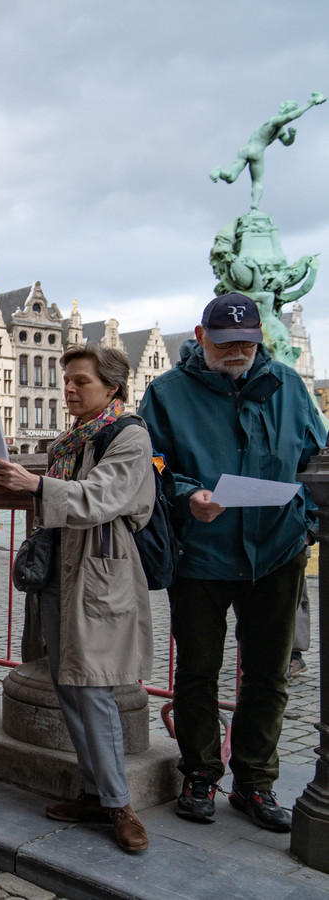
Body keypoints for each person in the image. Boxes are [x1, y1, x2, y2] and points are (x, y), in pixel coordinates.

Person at [139, 294, 326, 832]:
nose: (238, 352)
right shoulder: (167, 393)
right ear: (201, 337)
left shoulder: (289, 385)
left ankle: (255, 783)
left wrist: (307, 515)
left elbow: (317, 458)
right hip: (202, 552)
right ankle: (200, 772)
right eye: (226, 344)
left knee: (268, 674)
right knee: (198, 670)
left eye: (247, 343)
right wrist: (187, 495)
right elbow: (150, 464)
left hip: (278, 549)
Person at [0, 345, 153, 853]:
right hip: (59, 571)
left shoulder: (129, 436)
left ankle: (120, 804)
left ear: (113, 388)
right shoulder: (69, 440)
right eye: (68, 381)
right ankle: (94, 792)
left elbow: (101, 497)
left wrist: (34, 483)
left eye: (81, 381)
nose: (70, 389)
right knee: (68, 686)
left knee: (94, 688)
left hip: (98, 571)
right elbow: (51, 495)